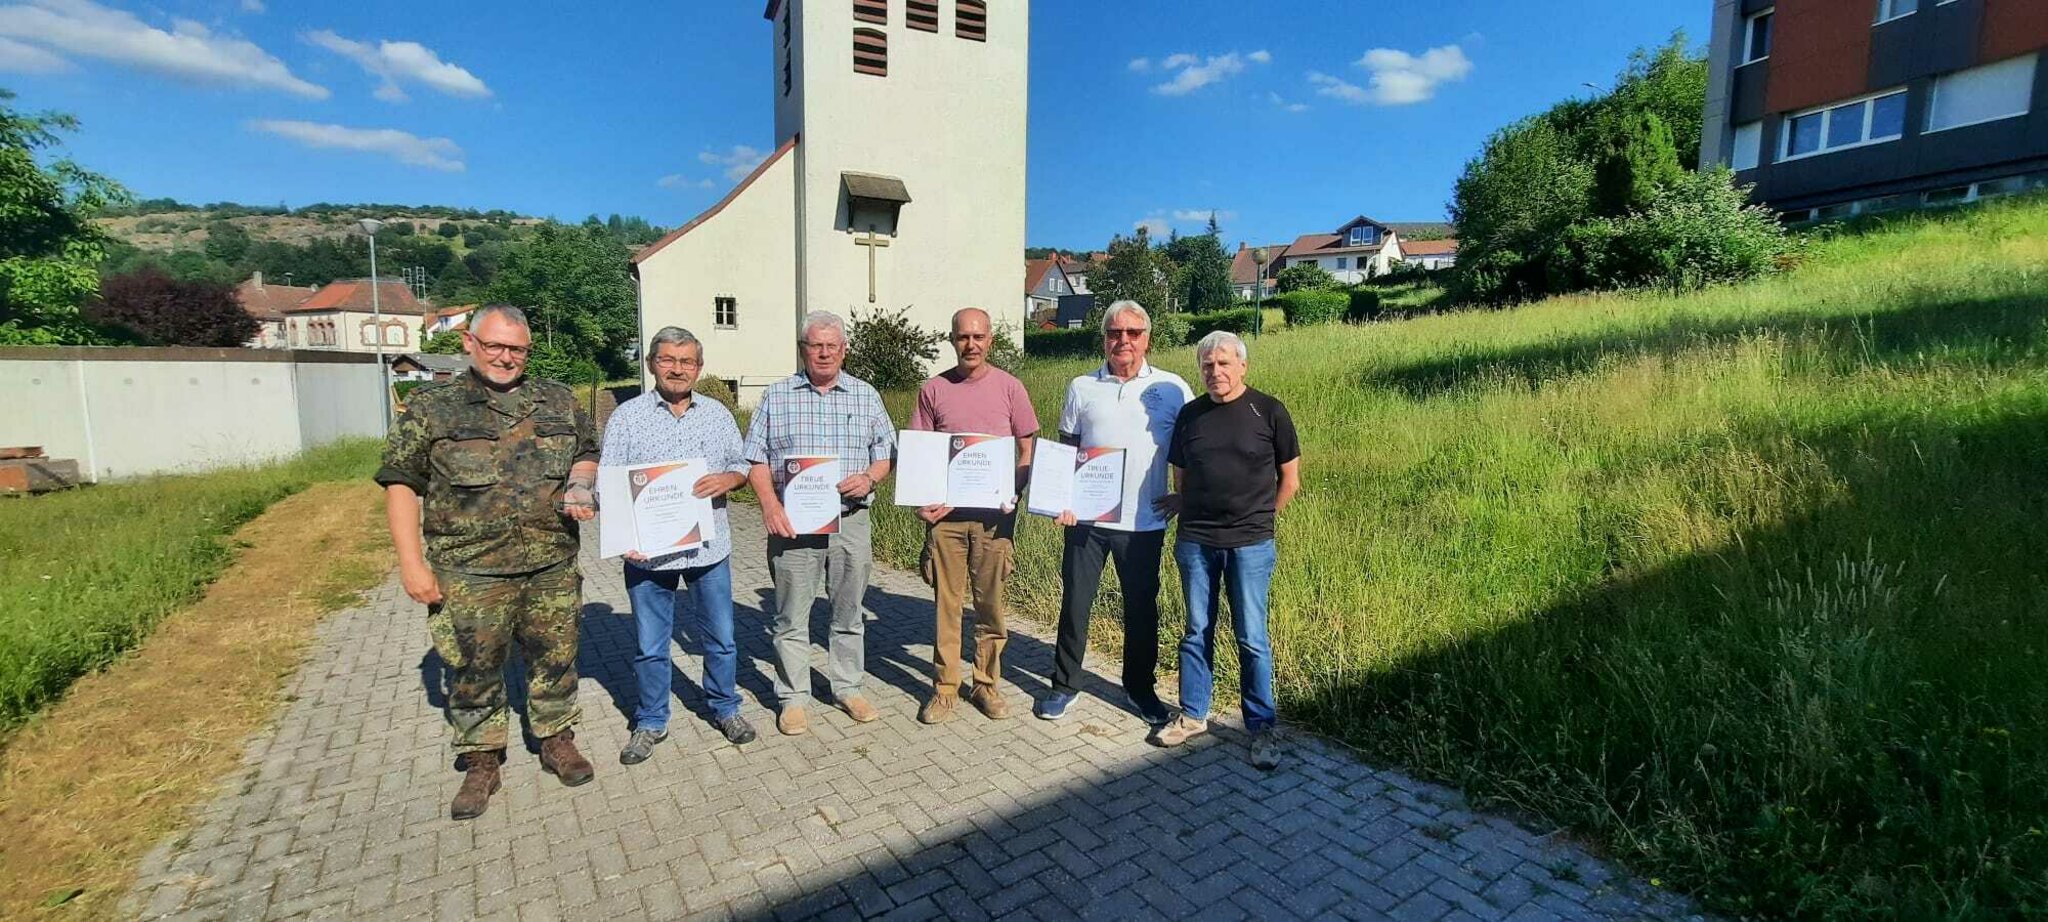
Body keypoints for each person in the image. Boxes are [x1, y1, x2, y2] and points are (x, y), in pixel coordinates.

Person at [374, 304, 600, 821]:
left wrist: (581, 482)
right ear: (469, 345)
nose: (505, 357)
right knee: (472, 667)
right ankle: (480, 756)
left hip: (550, 562)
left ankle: (554, 737)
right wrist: (412, 565)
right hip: (469, 567)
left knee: (556, 658)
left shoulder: (557, 399)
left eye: (516, 348)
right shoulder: (433, 407)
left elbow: (588, 450)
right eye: (495, 345)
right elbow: (401, 484)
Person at [602, 327, 757, 764]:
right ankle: (651, 720)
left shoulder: (718, 415)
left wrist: (729, 478)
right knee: (651, 645)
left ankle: (725, 708)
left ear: (699, 368)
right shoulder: (627, 417)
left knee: (721, 638)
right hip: (647, 555)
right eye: (669, 360)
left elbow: (741, 464)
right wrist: (623, 537)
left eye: (687, 361)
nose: (677, 369)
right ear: (653, 363)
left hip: (709, 549)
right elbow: (609, 482)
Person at [1035, 300, 1194, 726]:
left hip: (1143, 524)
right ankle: (1064, 685)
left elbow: (1188, 450)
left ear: (1147, 338)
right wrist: (1059, 500)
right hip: (1086, 521)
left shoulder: (1174, 388)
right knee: (1075, 605)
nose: (1123, 340)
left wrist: (1183, 496)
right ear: (1103, 337)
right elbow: (1066, 450)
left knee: (1141, 609)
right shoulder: (1081, 387)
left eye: (1133, 333)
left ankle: (1140, 689)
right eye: (1114, 332)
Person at [1152, 331, 1301, 770]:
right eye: (1207, 365)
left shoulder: (1269, 411)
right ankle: (1194, 715)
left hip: (1252, 544)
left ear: (1242, 366)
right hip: (1197, 541)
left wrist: (1261, 520)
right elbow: (1182, 478)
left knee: (1252, 637)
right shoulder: (1190, 415)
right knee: (1196, 630)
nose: (1215, 372)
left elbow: (1289, 479)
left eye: (1223, 364)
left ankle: (1261, 727)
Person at [744, 311, 896, 735]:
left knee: (848, 613)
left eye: (832, 345)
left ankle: (848, 687)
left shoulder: (866, 396)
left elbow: (886, 454)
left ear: (844, 350)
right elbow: (754, 458)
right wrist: (770, 506)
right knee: (791, 616)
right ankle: (793, 697)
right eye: (816, 345)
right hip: (794, 526)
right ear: (803, 350)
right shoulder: (777, 396)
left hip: (851, 522)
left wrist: (869, 477)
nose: (824, 352)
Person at [908, 308, 1038, 723]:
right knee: (947, 607)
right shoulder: (934, 389)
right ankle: (945, 689)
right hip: (946, 522)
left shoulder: (1010, 388)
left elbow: (1027, 448)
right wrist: (920, 502)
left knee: (991, 607)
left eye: (979, 337)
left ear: (990, 341)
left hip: (994, 522)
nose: (971, 345)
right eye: (963, 337)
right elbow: (919, 455)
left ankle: (985, 685)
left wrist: (1014, 489)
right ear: (952, 340)